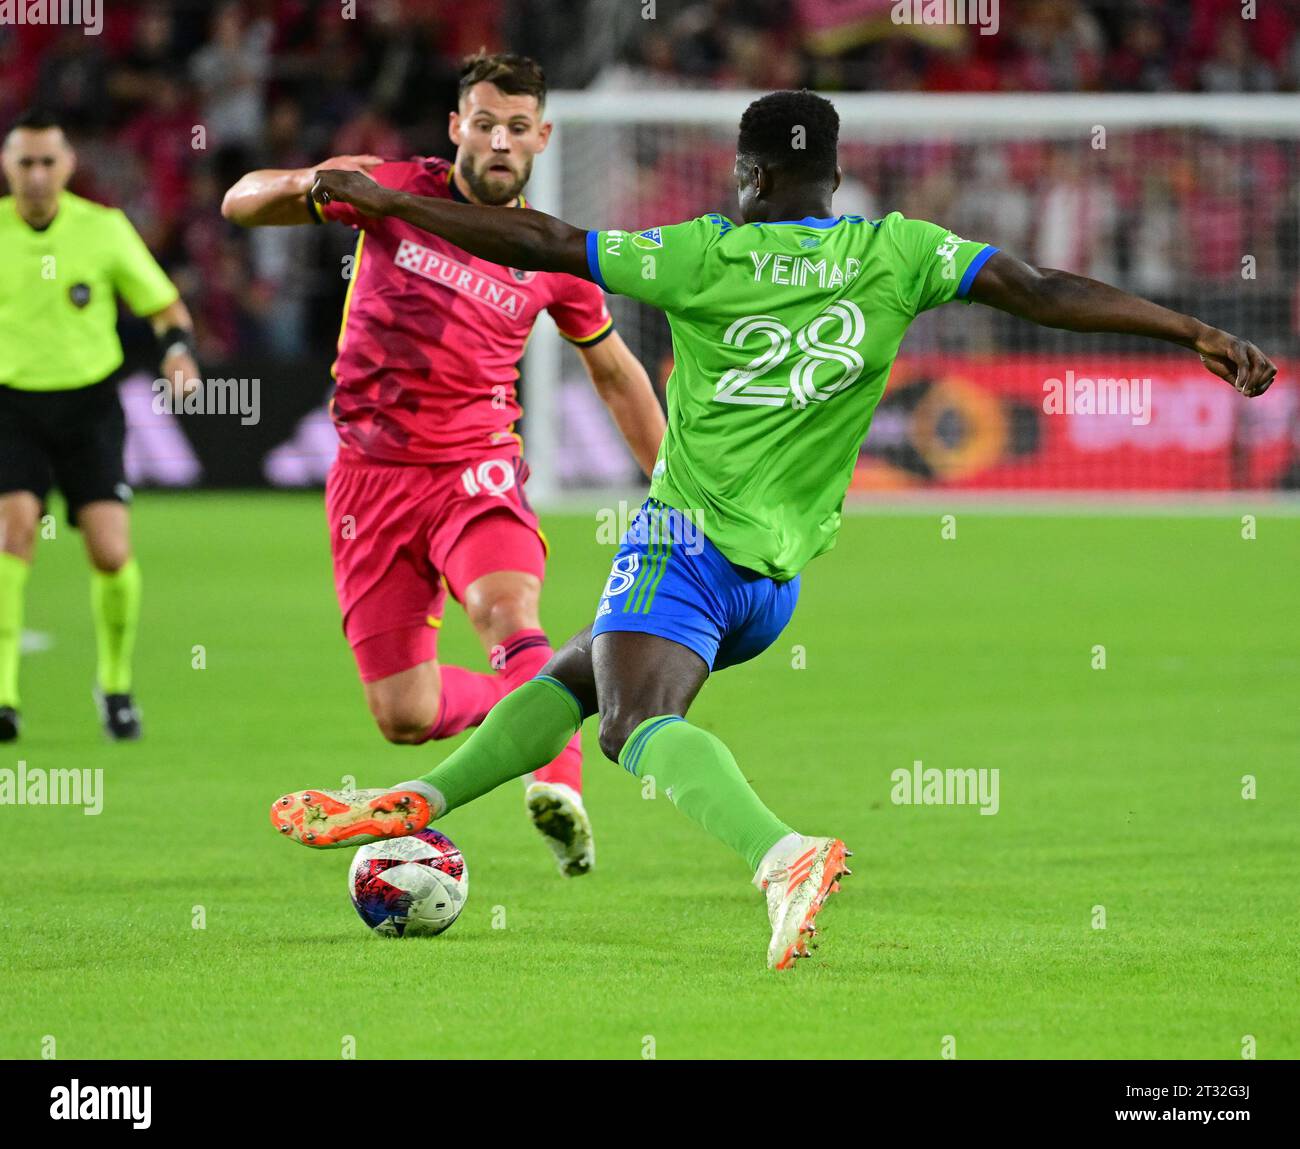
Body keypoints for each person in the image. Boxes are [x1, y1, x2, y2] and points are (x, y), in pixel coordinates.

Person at [271, 89, 1276, 969]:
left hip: (687, 545)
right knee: (582, 675)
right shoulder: (900, 253)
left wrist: (397, 203)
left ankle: (778, 854)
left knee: (627, 722)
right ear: (835, 176)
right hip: (776, 586)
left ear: (748, 174)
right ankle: (419, 799)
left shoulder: (701, 255)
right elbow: (1042, 292)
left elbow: (543, 242)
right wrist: (1190, 331)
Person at [224, 53, 665, 877]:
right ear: (458, 126)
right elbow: (237, 202)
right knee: (403, 711)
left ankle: (558, 781)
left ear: (543, 137)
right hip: (369, 479)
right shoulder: (392, 191)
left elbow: (615, 374)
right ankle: (543, 704)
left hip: (477, 467)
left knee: (507, 610)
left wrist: (673, 484)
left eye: (518, 128)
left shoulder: (550, 255)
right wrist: (310, 185)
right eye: (486, 123)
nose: (501, 140)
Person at [0, 108, 201, 743]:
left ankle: (114, 686)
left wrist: (176, 351)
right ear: (7, 167)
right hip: (12, 406)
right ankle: (4, 696)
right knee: (14, 534)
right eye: (24, 162)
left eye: (46, 162)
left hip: (89, 406)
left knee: (111, 552)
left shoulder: (104, 230)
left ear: (67, 166)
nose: (35, 175)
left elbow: (166, 305)